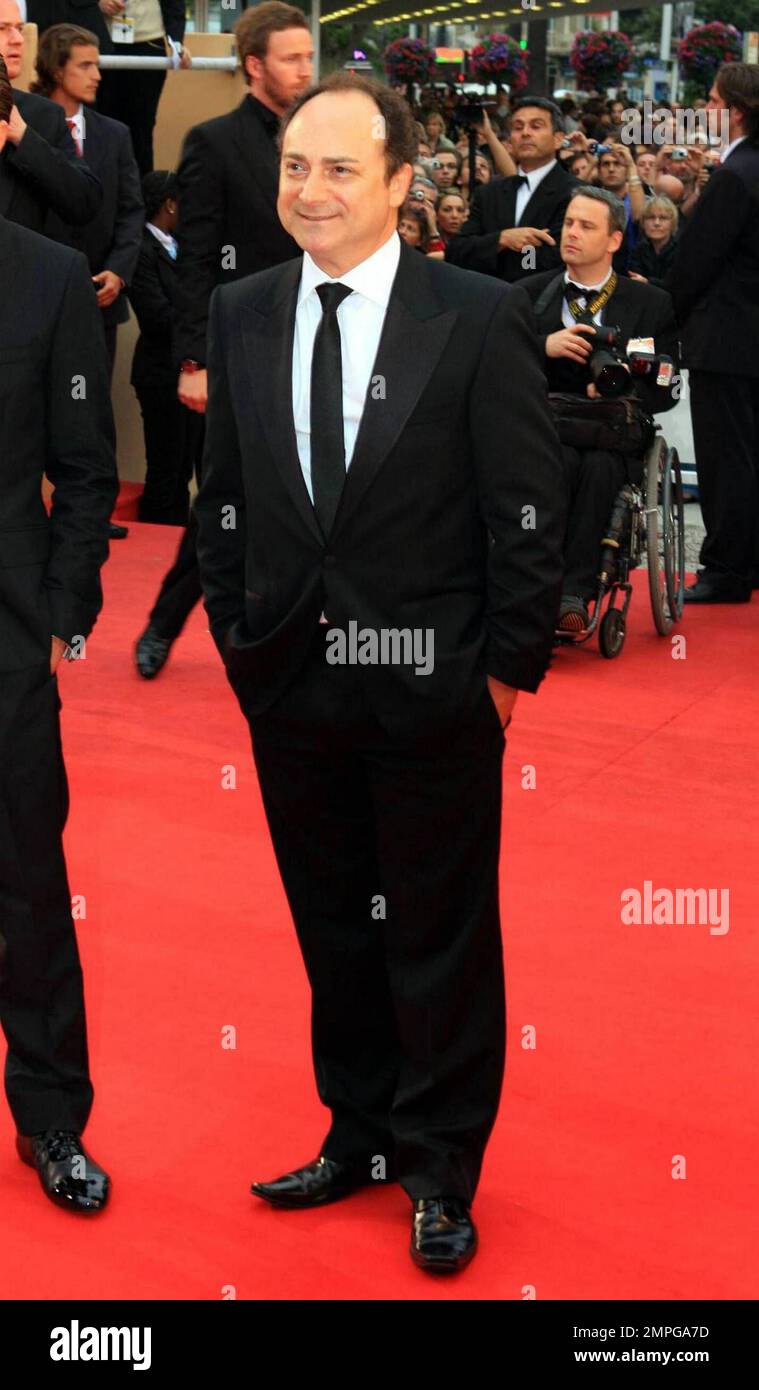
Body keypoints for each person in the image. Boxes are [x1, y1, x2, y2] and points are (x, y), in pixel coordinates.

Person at [194, 72, 566, 1275]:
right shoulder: (242, 309)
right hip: (293, 686)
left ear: (403, 184)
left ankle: (441, 1165)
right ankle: (356, 1134)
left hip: (432, 686)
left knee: (438, 935)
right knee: (333, 929)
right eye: (297, 166)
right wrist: (244, 648)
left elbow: (525, 505)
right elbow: (226, 505)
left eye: (340, 169)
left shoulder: (472, 312)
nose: (310, 190)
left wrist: (502, 675)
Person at [0, 61, 117, 1213]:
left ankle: (50, 1118)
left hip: (5, 639)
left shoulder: (48, 281)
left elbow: (86, 477)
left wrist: (62, 621)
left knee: (29, 885)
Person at [523, 186, 678, 631]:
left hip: (613, 436)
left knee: (598, 468)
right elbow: (495, 364)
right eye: (569, 223)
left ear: (613, 240)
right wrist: (543, 347)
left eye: (586, 226)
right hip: (547, 427)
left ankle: (574, 593)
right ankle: (535, 587)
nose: (571, 233)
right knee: (560, 461)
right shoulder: (528, 294)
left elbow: (668, 389)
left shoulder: (650, 302)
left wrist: (625, 389)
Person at [174, 2, 312, 417]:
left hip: (318, 338)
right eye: (291, 59)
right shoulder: (212, 143)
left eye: (308, 58)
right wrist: (195, 360)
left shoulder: (323, 140)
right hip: (244, 342)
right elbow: (195, 258)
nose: (305, 70)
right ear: (255, 65)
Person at [671, 61, 759, 603]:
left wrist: (660, 309)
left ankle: (727, 568)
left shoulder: (735, 175)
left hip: (726, 339)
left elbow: (697, 262)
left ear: (736, 110)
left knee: (727, 457)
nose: (704, 109)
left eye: (710, 100)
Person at [34, 23, 144, 383]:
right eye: (84, 66)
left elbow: (131, 211)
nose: (97, 75)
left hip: (100, 304)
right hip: (38, 302)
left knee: (92, 410)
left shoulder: (115, 135)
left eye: (97, 65)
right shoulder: (23, 130)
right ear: (55, 69)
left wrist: (119, 271)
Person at [130, 170, 203, 527]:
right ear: (170, 204)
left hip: (190, 370)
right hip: (160, 373)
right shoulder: (141, 249)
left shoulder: (185, 247)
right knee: (166, 465)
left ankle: (173, 539)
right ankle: (156, 542)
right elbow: (156, 316)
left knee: (184, 466)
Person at [446, 97, 578, 283]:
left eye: (536, 126)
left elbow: (556, 259)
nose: (525, 133)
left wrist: (521, 251)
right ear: (509, 140)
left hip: (540, 305)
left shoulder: (575, 193)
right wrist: (502, 239)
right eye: (518, 127)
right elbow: (457, 251)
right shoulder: (489, 193)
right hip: (487, 302)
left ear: (558, 139)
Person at [0, 1, 101, 234]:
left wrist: (24, 137)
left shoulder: (42, 115)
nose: (17, 39)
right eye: (3, 28)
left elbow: (84, 202)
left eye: (19, 28)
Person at [629, 195, 678, 290]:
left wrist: (648, 282)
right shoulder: (639, 250)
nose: (656, 223)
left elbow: (677, 284)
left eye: (663, 218)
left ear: (673, 222)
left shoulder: (681, 250)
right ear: (643, 223)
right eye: (651, 218)